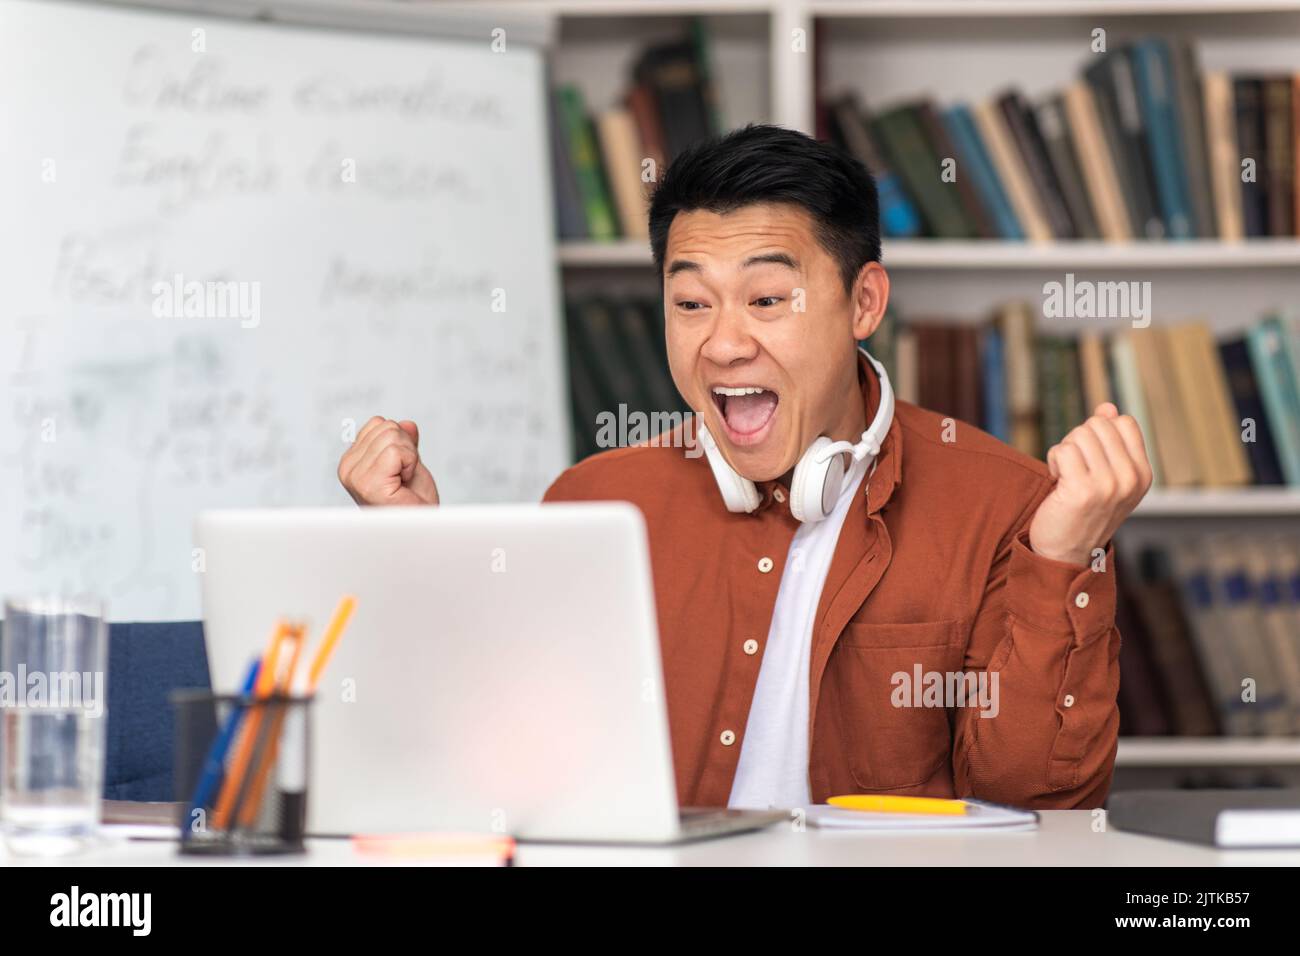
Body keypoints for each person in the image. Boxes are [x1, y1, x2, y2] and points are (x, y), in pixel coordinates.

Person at [337, 125, 1152, 810]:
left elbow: (1037, 810)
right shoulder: (596, 501)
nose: (723, 344)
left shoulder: (1003, 503)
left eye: (767, 300)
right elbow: (503, 776)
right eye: (691, 304)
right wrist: (421, 558)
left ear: (864, 302)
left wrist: (1062, 559)